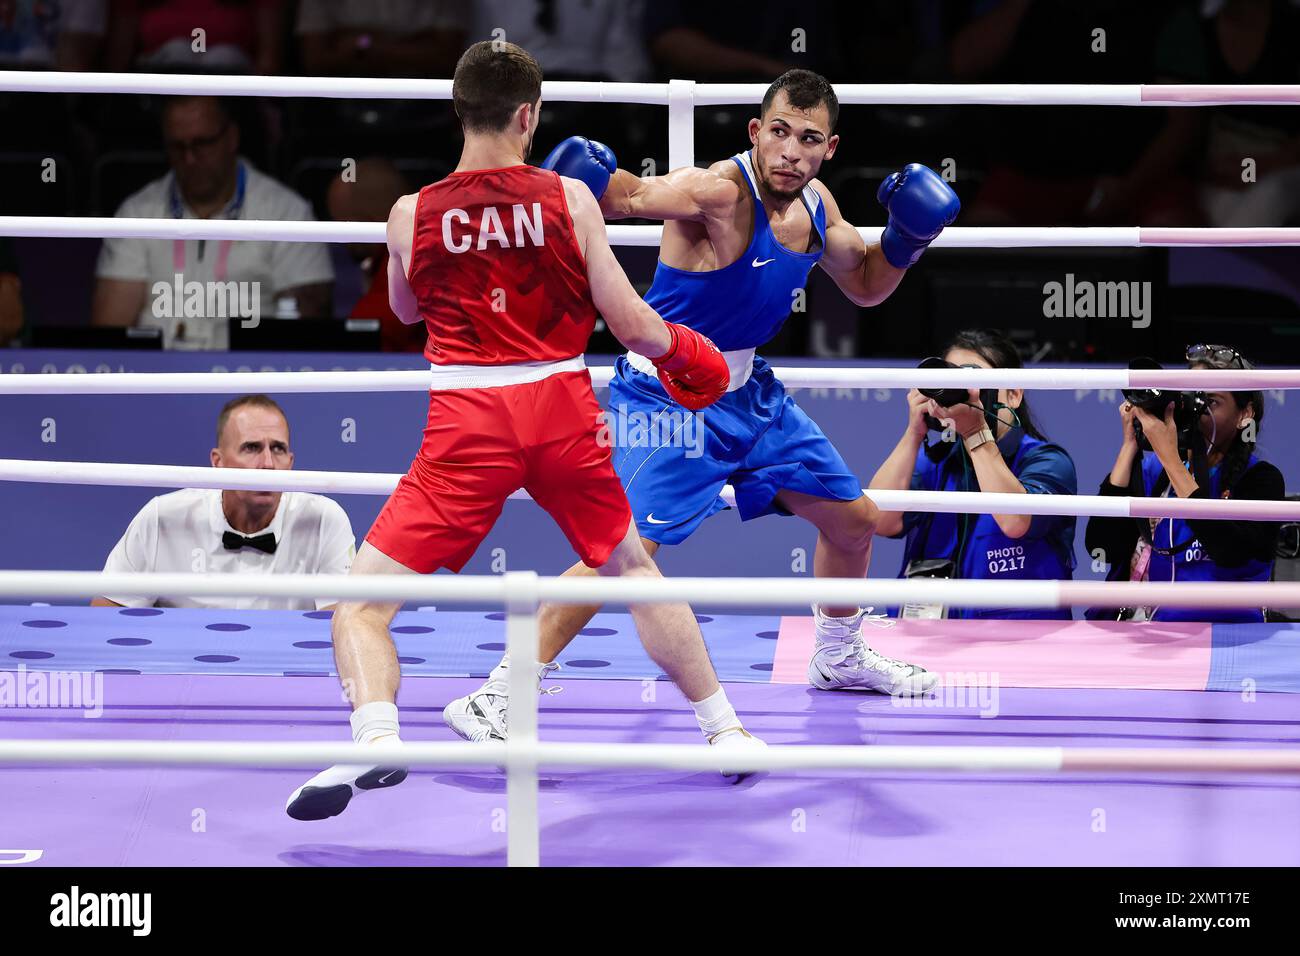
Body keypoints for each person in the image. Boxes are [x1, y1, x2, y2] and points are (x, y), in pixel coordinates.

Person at [286, 41, 763, 822]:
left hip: (466, 422)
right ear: (528, 115)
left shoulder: (412, 213)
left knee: (360, 605)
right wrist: (694, 358)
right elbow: (634, 324)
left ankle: (375, 738)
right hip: (559, 409)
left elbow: (404, 314)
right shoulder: (570, 198)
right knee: (632, 571)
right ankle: (726, 730)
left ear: (457, 112)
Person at [445, 68, 958, 745]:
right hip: (666, 394)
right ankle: (498, 695)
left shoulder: (816, 207)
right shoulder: (718, 190)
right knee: (620, 552)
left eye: (808, 139)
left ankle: (837, 655)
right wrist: (574, 179)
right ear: (756, 132)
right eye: (778, 132)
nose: (790, 152)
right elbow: (630, 196)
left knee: (855, 520)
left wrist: (905, 242)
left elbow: (864, 284)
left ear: (828, 149)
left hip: (752, 394)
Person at [92, 95, 334, 350]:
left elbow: (308, 336)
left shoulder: (286, 213)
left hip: (249, 377)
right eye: (178, 147)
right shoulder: (137, 213)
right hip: (158, 376)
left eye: (202, 144)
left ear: (232, 137)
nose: (190, 159)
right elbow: (109, 338)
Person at [869, 329, 1078, 620]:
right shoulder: (937, 461)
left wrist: (975, 433)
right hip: (932, 641)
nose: (968, 395)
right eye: (954, 383)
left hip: (1022, 644)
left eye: (975, 382)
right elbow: (879, 520)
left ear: (1014, 394)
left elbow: (1016, 521)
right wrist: (913, 433)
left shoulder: (1047, 460)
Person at [91, 395, 356, 611]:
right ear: (218, 463)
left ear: (291, 462)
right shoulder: (163, 518)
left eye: (278, 449)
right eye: (251, 448)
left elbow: (341, 630)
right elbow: (106, 619)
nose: (267, 464)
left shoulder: (325, 520)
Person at [1084, 344, 1285, 623]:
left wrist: (1173, 463)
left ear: (1244, 414)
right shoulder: (1157, 472)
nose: (1196, 410)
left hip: (1237, 638)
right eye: (1191, 396)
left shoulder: (1261, 478)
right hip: (1164, 636)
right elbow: (1103, 547)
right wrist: (1131, 445)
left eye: (1211, 401)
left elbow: (1230, 552)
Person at [325, 157, 424, 352]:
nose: (342, 242)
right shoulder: (380, 264)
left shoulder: (409, 262)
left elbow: (366, 334)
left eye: (344, 224)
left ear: (370, 219)